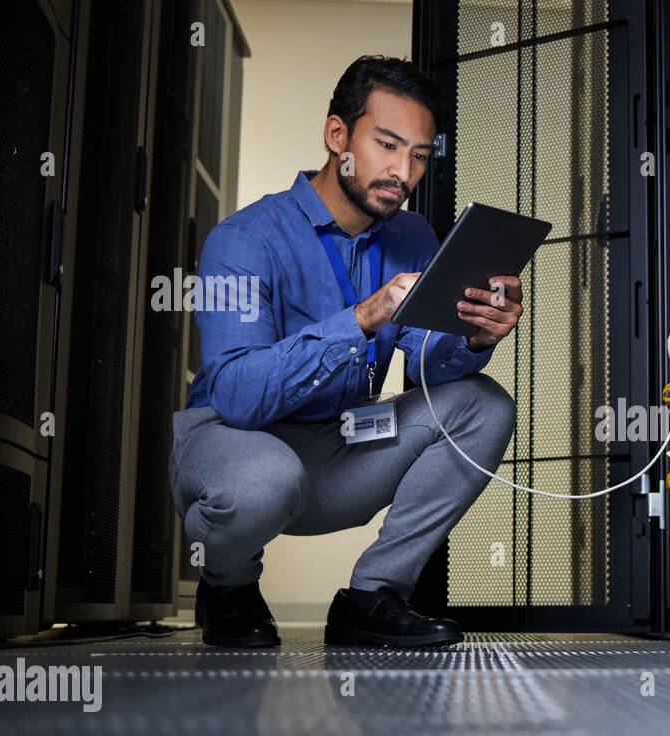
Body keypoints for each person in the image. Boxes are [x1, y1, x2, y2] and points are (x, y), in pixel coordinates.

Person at [169, 55, 520, 649]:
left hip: (340, 444)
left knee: (483, 405)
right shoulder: (243, 239)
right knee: (265, 478)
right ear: (338, 137)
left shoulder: (412, 236)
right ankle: (227, 585)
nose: (401, 171)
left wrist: (474, 334)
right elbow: (237, 395)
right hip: (236, 445)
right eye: (386, 144)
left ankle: (372, 596)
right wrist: (361, 318)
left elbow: (427, 362)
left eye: (418, 155)